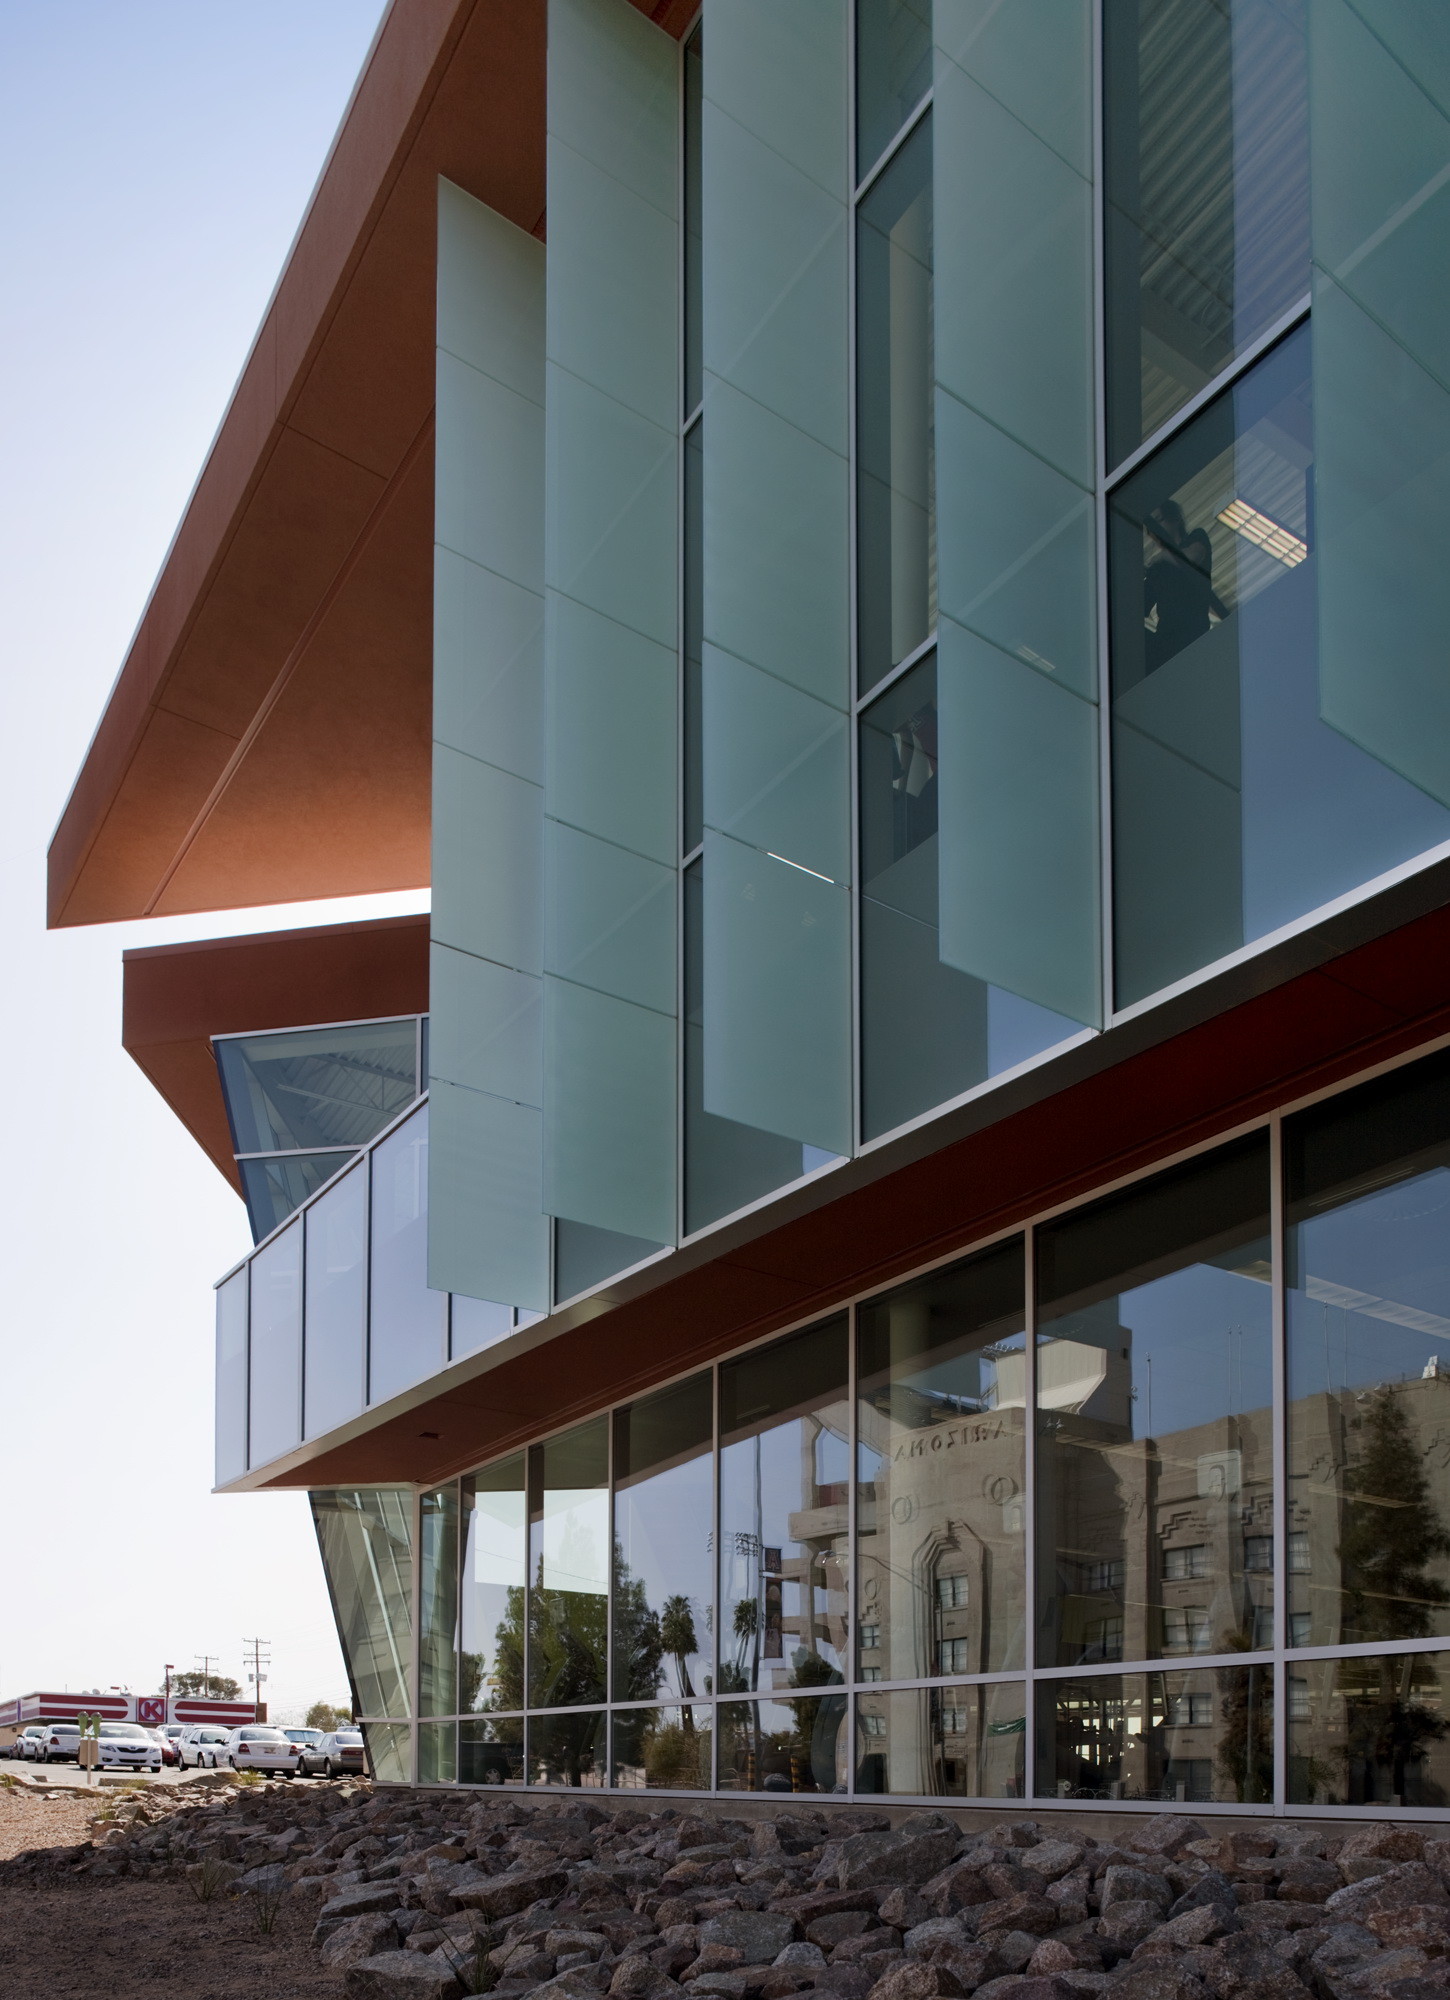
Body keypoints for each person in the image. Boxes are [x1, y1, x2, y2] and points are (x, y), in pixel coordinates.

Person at [1144, 503, 1225, 674]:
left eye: (1159, 520)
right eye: (1152, 527)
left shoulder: (1196, 537)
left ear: (1176, 520)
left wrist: (1162, 556)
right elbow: (1140, 605)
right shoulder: (1158, 569)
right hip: (1166, 634)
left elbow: (1192, 558)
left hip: (1192, 630)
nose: (1155, 530)